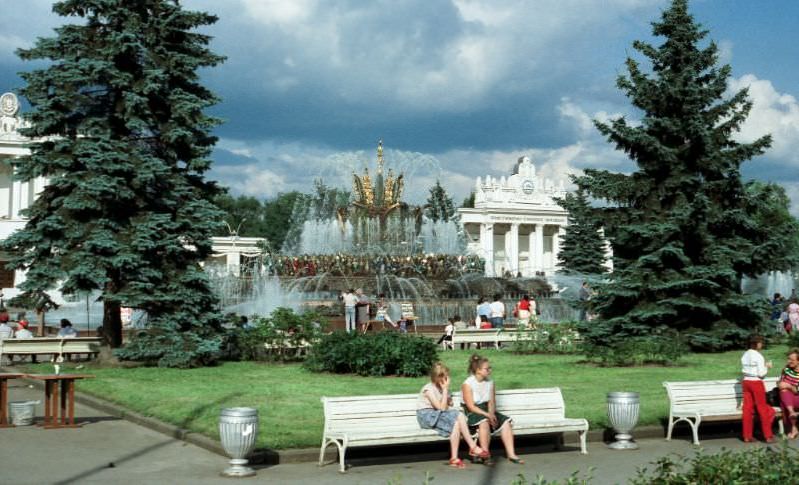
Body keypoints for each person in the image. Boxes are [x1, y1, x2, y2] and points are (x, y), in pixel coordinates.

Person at [417, 362, 489, 469]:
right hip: (427, 416)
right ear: (437, 377)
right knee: (458, 416)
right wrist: (445, 390)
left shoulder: (441, 388)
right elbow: (441, 408)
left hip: (438, 414)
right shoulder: (428, 390)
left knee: (456, 423)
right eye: (444, 377)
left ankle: (454, 458)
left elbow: (448, 405)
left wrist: (446, 393)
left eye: (447, 376)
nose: (446, 379)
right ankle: (473, 447)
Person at [461, 354, 523, 465]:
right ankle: (485, 454)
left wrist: (491, 413)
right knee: (484, 422)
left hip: (486, 410)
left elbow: (491, 402)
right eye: (487, 368)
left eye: (490, 368)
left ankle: (511, 454)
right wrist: (487, 415)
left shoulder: (490, 382)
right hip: (473, 412)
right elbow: (470, 406)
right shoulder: (468, 383)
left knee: (505, 422)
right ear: (478, 370)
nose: (490, 370)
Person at [741, 335, 776, 443]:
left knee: (747, 409)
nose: (761, 344)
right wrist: (767, 367)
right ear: (755, 344)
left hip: (746, 381)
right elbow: (761, 374)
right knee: (762, 408)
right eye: (760, 342)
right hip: (756, 382)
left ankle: (747, 436)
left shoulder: (745, 354)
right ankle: (768, 436)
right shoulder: (758, 356)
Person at [778, 349, 799, 439]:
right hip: (788, 399)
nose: (789, 361)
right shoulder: (786, 369)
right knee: (783, 392)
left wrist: (789, 386)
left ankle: (793, 427)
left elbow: (797, 390)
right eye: (788, 359)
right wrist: (780, 384)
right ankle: (792, 415)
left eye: (792, 360)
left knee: (785, 395)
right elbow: (780, 383)